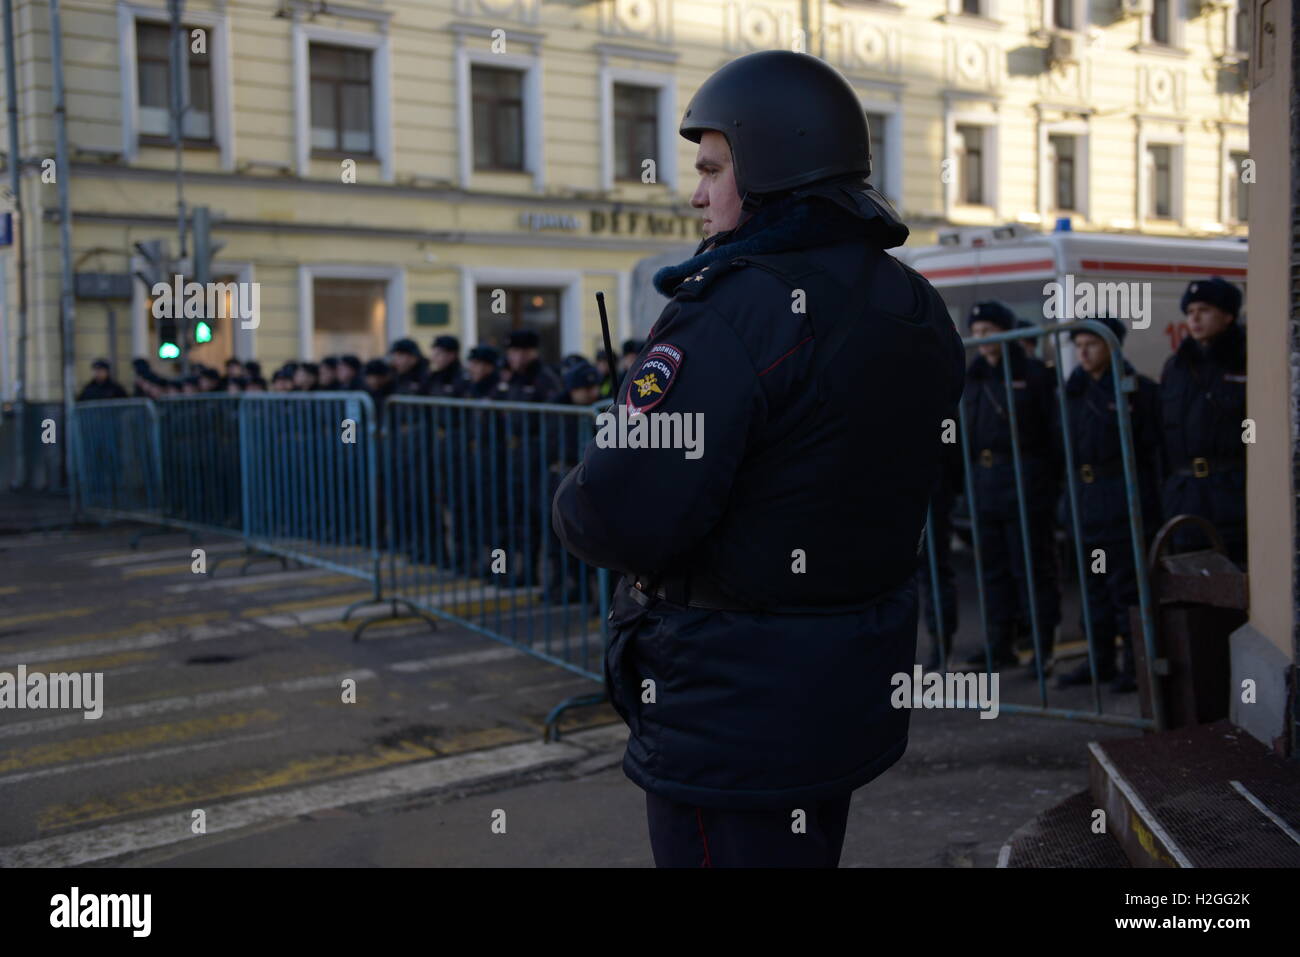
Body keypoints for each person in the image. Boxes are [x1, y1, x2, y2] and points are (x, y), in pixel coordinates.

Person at [553, 50, 964, 868]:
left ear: (770, 162)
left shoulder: (733, 311)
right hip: (842, 684)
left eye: (712, 168)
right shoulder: (911, 300)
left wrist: (587, 479)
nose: (698, 192)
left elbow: (612, 513)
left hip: (732, 704)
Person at [1054, 316, 1161, 693]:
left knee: (1126, 590)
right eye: (1078, 344)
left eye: (1092, 344)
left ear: (1112, 346)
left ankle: (1135, 666)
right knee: (1093, 588)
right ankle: (1099, 661)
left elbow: (1153, 453)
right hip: (1085, 507)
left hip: (1120, 505)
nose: (1083, 351)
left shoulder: (1137, 392)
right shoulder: (1072, 392)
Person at [960, 300, 1062, 674]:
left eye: (989, 330)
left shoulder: (1033, 374)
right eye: (977, 332)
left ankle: (1042, 646)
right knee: (993, 568)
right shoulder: (973, 377)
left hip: (1025, 478)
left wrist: (1048, 484)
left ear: (1007, 331)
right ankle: (1000, 644)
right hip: (984, 482)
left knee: (1032, 566)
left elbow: (1052, 434)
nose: (981, 338)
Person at [1159, 277, 1247, 566]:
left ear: (1228, 315)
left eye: (1205, 310)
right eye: (1190, 311)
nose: (1194, 318)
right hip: (1186, 497)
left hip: (1231, 495)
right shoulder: (1176, 367)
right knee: (1190, 587)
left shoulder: (1245, 359)